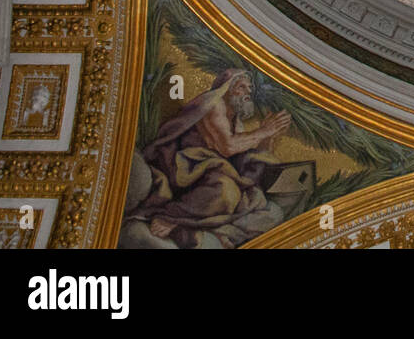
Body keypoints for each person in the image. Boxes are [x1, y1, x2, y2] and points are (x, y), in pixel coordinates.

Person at [124, 69, 291, 249]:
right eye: (242, 87)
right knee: (226, 191)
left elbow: (245, 158)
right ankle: (170, 218)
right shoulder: (214, 105)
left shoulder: (236, 121)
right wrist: (263, 132)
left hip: (210, 173)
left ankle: (210, 230)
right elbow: (227, 147)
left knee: (262, 206)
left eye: (249, 88)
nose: (248, 92)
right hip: (185, 169)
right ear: (228, 88)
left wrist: (268, 138)